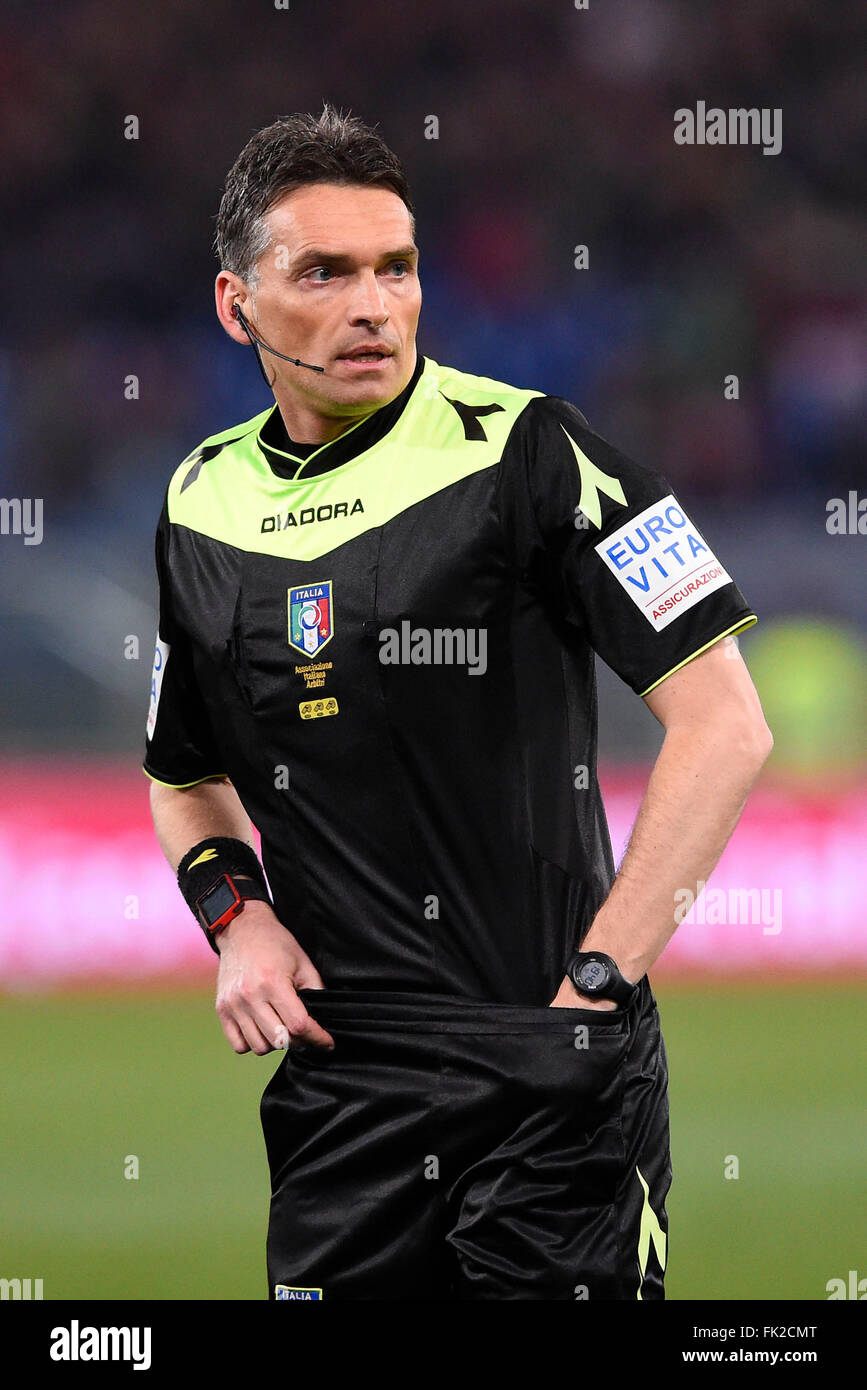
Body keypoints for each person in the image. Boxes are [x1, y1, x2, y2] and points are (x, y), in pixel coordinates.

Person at [143, 103, 772, 1301]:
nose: (372, 304)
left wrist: (595, 988)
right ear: (236, 306)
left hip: (550, 1065)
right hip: (346, 1088)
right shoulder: (197, 500)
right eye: (322, 272)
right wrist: (240, 919)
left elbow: (728, 723)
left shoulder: (538, 452)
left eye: (397, 268)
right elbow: (184, 775)